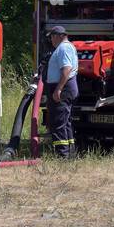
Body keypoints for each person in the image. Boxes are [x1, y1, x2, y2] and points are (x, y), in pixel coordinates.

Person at [45, 25, 79, 160]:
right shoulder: (66, 47)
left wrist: (58, 89)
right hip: (67, 87)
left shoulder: (64, 48)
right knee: (66, 122)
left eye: (52, 37)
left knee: (58, 121)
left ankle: (62, 156)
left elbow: (66, 69)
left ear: (59, 36)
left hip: (63, 89)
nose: (51, 40)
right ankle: (70, 153)